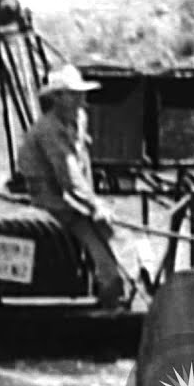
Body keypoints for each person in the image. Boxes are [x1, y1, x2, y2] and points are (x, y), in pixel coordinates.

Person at [17, 64, 128, 309]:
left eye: (81, 92)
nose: (81, 98)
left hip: (72, 196)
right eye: (73, 93)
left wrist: (94, 201)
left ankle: (132, 280)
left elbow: (82, 166)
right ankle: (111, 289)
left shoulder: (79, 118)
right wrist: (93, 204)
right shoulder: (48, 129)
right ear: (57, 98)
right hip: (49, 197)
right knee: (90, 228)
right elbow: (68, 175)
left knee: (113, 229)